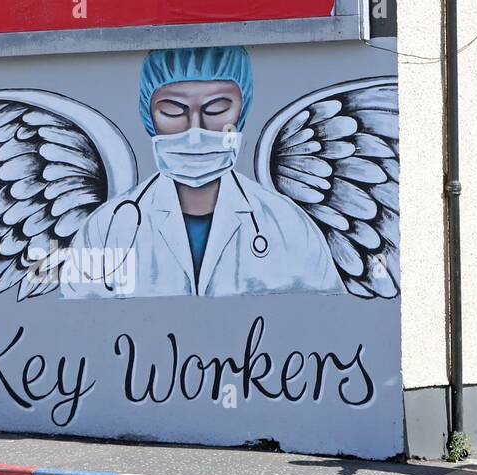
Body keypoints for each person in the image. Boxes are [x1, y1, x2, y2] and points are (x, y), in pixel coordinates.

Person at [61, 46, 345, 299]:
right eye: (173, 110)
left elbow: (327, 326)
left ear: (242, 112)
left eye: (216, 108)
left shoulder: (288, 226)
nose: (195, 129)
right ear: (149, 116)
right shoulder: (106, 230)